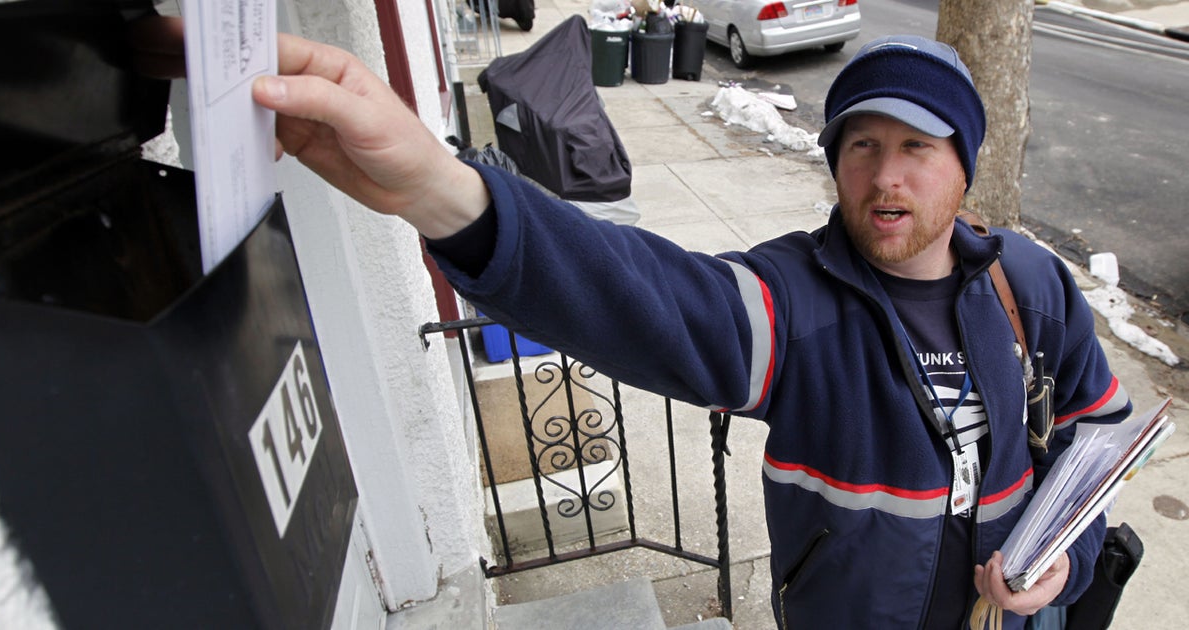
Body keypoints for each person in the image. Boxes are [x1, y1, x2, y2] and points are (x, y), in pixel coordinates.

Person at [134, 18, 1131, 628]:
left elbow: (1101, 440)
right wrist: (442, 192)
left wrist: (1066, 563)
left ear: (965, 166)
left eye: (917, 146)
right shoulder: (798, 304)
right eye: (860, 145)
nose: (884, 176)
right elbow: (644, 296)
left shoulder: (1029, 289)